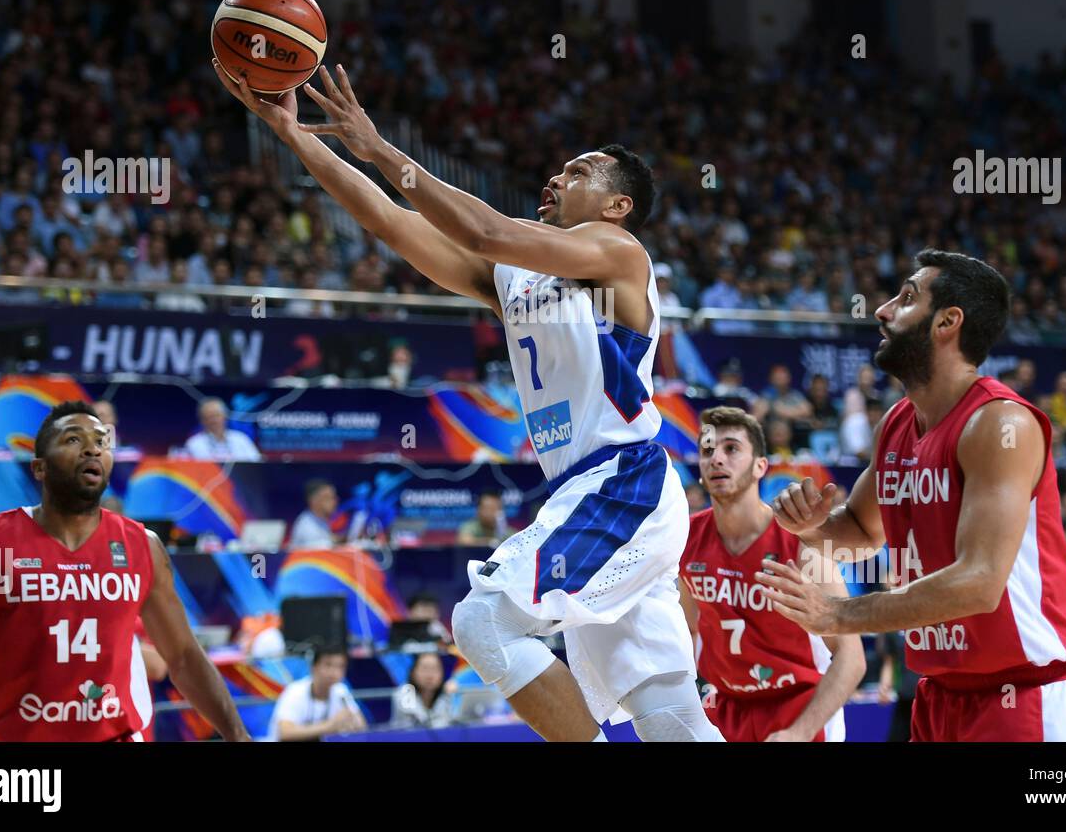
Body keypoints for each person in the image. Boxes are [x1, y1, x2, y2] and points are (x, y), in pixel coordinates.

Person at [217, 61, 717, 741]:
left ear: (616, 205)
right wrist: (293, 134)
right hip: (595, 493)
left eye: (578, 171)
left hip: (622, 481)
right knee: (672, 719)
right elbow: (393, 223)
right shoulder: (515, 274)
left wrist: (380, 145)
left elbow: (483, 231)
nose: (556, 177)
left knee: (482, 618)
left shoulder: (617, 250)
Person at [757, 250, 1066, 741]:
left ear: (947, 322)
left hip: (1027, 696)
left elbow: (978, 584)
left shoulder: (1000, 423)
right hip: (939, 697)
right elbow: (860, 532)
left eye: (906, 298)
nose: (882, 310)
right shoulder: (896, 424)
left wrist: (839, 615)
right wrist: (810, 527)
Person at [0, 401, 249, 741]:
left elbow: (184, 657)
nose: (92, 448)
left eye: (101, 441)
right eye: (73, 439)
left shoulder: (142, 545)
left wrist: (239, 736)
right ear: (39, 468)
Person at [678, 407, 864, 741]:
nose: (717, 459)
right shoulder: (684, 539)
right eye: (708, 451)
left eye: (731, 449)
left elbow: (851, 656)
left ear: (760, 466)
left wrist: (799, 733)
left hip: (799, 703)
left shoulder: (801, 541)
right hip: (726, 706)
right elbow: (691, 629)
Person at [267, 646, 367, 740]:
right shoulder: (295, 691)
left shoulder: (340, 690)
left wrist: (352, 722)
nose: (334, 672)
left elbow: (362, 726)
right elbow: (285, 732)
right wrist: (330, 726)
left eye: (340, 666)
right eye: (328, 665)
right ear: (314, 667)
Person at [388, 652, 456, 730]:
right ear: (413, 672)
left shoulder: (447, 693)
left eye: (435, 669)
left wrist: (450, 695)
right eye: (425, 668)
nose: (430, 675)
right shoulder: (405, 692)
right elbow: (422, 723)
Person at [181, 397, 262, 461]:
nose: (214, 420)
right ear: (202, 421)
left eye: (217, 415)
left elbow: (258, 464)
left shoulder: (241, 439)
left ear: (225, 417)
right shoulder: (193, 444)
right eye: (209, 417)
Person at [289, 480, 343, 550]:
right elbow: (318, 549)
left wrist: (343, 538)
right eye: (328, 497)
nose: (334, 501)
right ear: (314, 501)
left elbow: (329, 539)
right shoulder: (306, 524)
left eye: (334, 497)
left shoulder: (321, 520)